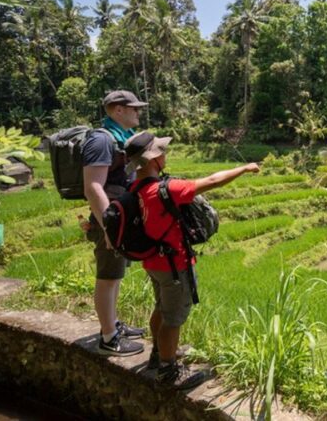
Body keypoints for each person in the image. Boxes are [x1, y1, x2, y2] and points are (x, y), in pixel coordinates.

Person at [124, 131, 260, 389]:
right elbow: (213, 180)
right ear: (154, 159)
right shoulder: (166, 190)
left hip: (153, 263)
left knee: (161, 308)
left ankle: (157, 355)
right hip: (174, 266)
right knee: (173, 319)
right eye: (161, 151)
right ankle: (168, 370)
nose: (165, 154)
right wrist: (244, 167)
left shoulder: (136, 188)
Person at [83, 90, 148, 356]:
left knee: (116, 275)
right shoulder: (101, 140)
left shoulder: (120, 139)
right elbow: (93, 187)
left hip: (120, 217)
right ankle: (109, 338)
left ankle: (113, 325)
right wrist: (109, 227)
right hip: (109, 220)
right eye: (133, 108)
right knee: (108, 277)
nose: (138, 112)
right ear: (118, 110)